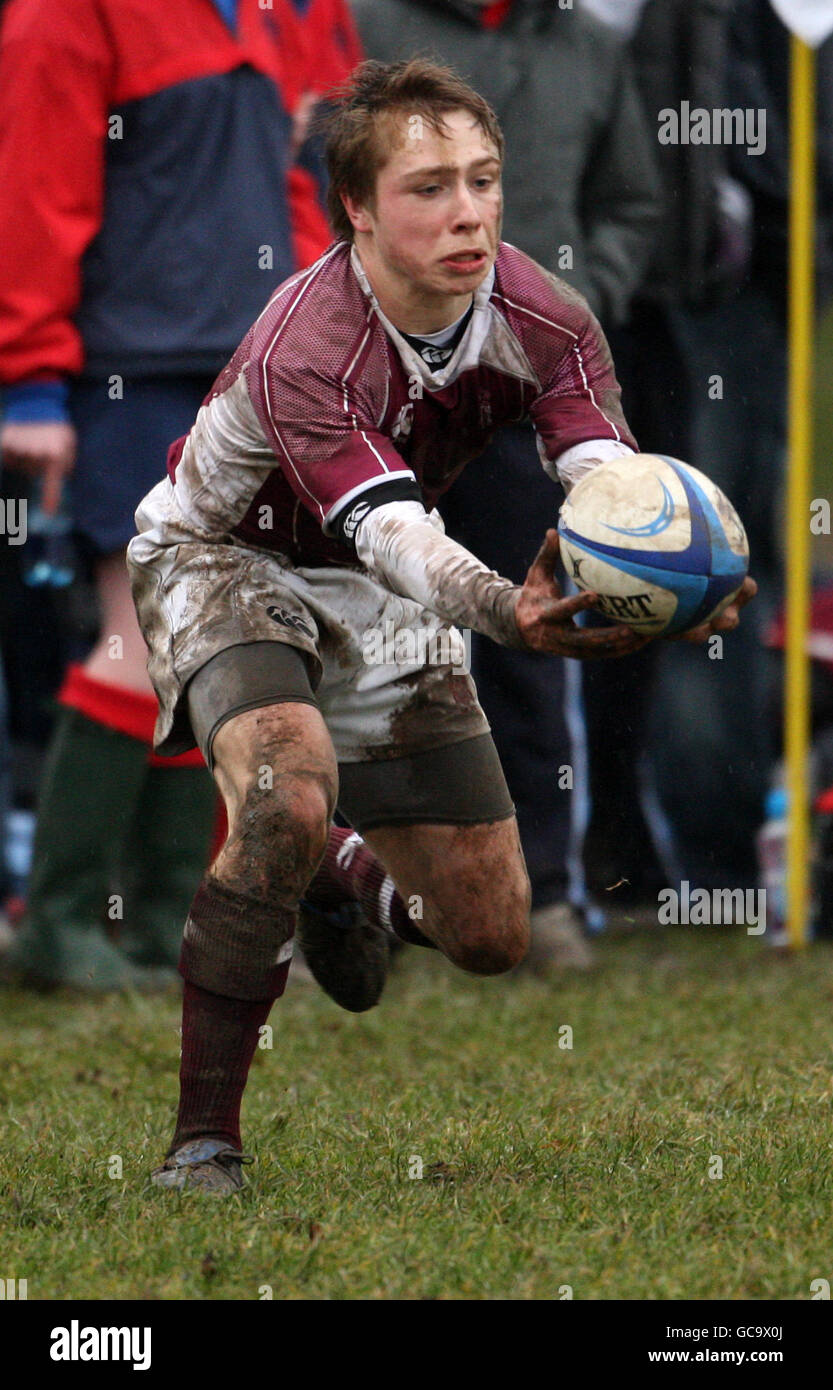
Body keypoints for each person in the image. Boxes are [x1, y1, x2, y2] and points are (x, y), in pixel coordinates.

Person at [127, 57, 754, 1194]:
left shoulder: (542, 317)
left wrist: (682, 572)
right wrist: (508, 612)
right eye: (427, 188)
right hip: (226, 561)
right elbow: (394, 532)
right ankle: (202, 1142)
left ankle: (338, 877)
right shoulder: (304, 343)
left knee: (488, 932)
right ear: (356, 210)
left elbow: (600, 474)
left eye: (482, 179)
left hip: (384, 585)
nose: (466, 211)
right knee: (286, 784)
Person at [0, 0, 360, 990]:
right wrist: (29, 376)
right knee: (138, 638)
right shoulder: (67, 11)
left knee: (203, 652)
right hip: (128, 370)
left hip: (242, 374)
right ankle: (60, 923)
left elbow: (295, 184)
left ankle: (165, 920)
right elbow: (33, 187)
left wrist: (314, 335)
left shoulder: (286, 11)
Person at [350, 0, 663, 967]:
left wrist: (575, 304)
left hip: (526, 409)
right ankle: (376, 902)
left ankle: (551, 896)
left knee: (535, 642)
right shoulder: (362, 26)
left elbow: (631, 203)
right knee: (381, 643)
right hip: (382, 392)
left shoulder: (590, 50)